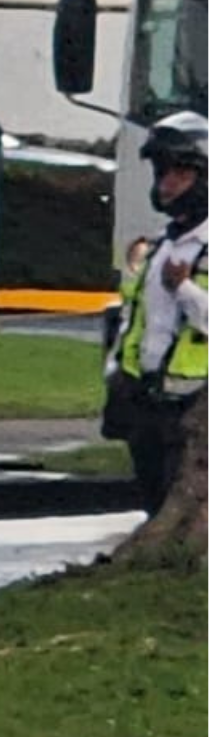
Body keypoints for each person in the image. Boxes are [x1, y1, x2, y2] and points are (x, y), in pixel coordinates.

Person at [105, 110, 208, 514]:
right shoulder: (160, 245)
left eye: (179, 175)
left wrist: (183, 288)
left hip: (191, 404)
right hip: (144, 395)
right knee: (152, 502)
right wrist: (116, 374)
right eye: (162, 174)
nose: (166, 185)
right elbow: (134, 318)